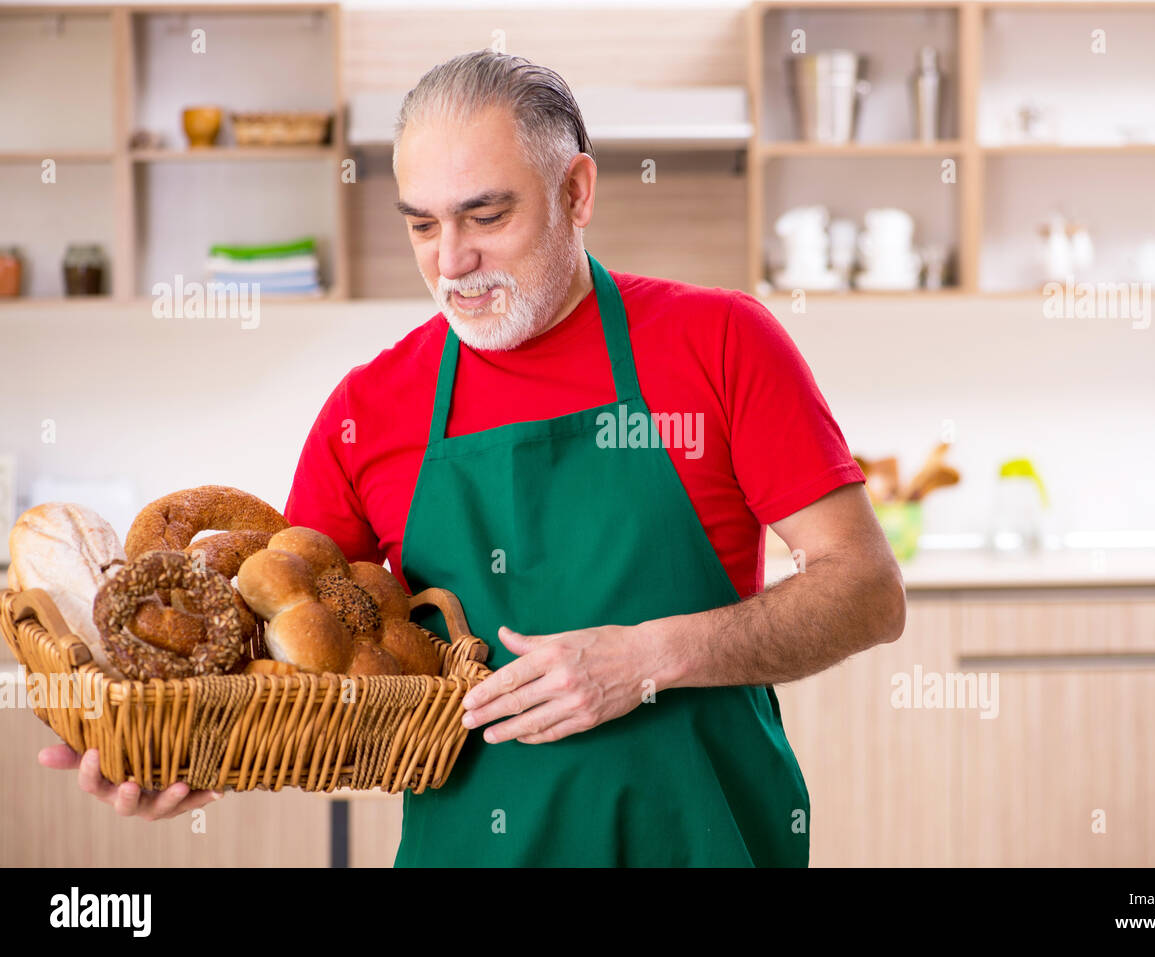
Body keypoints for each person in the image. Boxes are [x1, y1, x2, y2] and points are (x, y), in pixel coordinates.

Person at [43, 50, 905, 865]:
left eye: (486, 216)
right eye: (423, 224)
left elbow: (866, 588)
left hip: (708, 840)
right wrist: (195, 760)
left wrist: (648, 658)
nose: (451, 262)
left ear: (577, 191)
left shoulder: (721, 341)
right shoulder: (368, 410)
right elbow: (288, 665)